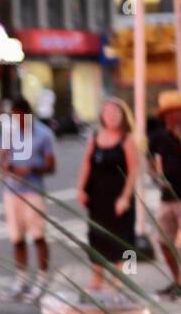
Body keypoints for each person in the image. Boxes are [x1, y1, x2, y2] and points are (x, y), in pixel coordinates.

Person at [0, 96, 57, 302]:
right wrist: (7, 168)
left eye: (18, 115)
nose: (16, 119)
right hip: (12, 191)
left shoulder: (43, 134)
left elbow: (51, 165)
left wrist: (31, 168)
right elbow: (1, 161)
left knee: (38, 236)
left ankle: (42, 279)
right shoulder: (9, 133)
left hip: (33, 190)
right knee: (17, 238)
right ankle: (20, 279)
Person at [76, 98, 139, 292]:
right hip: (98, 198)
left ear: (122, 116)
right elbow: (87, 164)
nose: (111, 117)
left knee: (124, 239)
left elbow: (133, 171)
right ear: (102, 116)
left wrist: (125, 197)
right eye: (108, 113)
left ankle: (124, 279)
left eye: (116, 113)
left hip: (119, 197)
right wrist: (80, 189)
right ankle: (97, 279)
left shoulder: (127, 140)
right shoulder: (95, 137)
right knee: (96, 237)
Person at [150, 89, 181, 297]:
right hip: (166, 198)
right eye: (168, 113)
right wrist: (155, 175)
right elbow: (153, 161)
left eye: (177, 111)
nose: (173, 116)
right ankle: (177, 280)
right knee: (163, 242)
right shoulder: (159, 137)